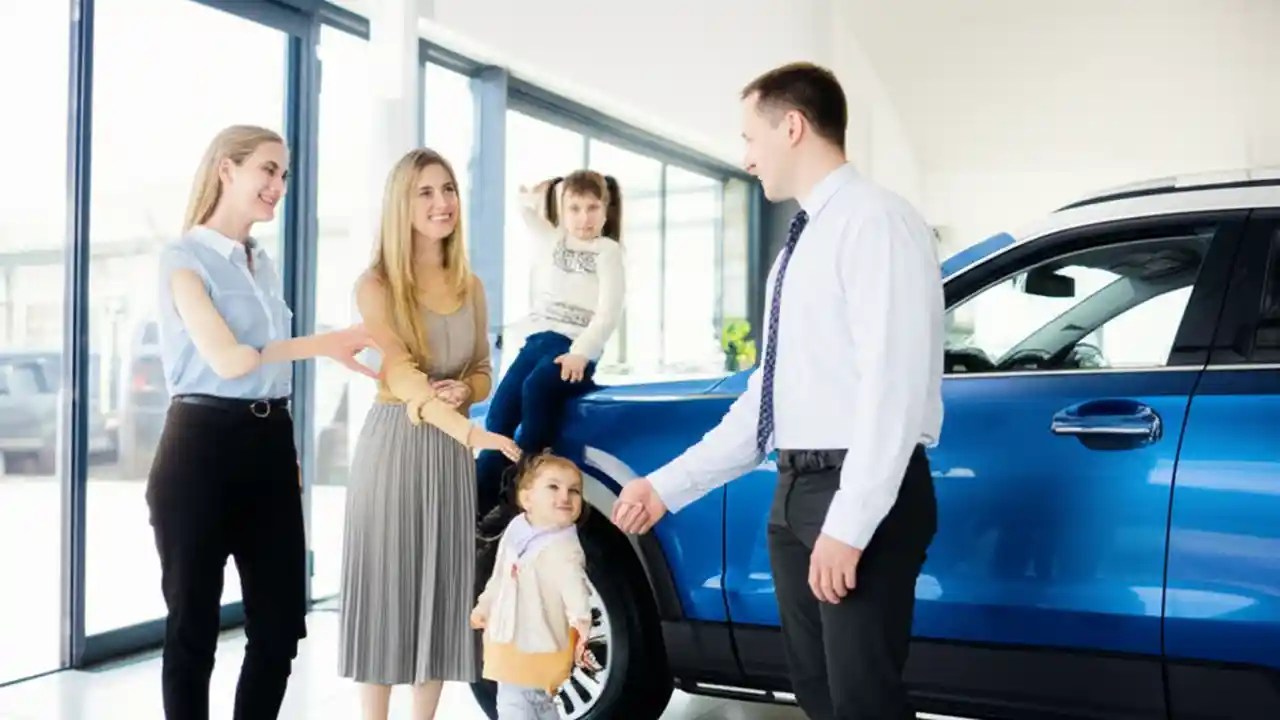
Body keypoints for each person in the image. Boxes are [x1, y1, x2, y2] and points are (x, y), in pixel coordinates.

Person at [612, 62, 944, 720]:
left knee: (862, 704)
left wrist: (850, 525)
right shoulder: (801, 243)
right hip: (795, 492)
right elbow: (768, 400)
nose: (746, 156)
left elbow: (894, 385)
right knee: (820, 700)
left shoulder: (875, 221)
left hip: (854, 490)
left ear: (792, 126)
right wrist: (664, 486)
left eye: (749, 137)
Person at [148, 124, 377, 720]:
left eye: (284, 174)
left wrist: (287, 448)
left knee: (280, 626)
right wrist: (323, 344)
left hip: (271, 444)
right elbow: (229, 360)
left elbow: (265, 369)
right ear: (227, 169)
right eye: (267, 170)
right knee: (193, 627)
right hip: (200, 448)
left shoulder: (262, 262)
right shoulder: (183, 258)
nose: (278, 185)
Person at [337, 147, 521, 720]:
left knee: (441, 595)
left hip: (448, 454)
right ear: (402, 203)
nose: (442, 203)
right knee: (388, 594)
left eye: (448, 190)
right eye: (426, 192)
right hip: (396, 447)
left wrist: (467, 393)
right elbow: (400, 375)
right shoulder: (375, 285)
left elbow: (483, 371)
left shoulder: (471, 284)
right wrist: (468, 432)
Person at [475, 171, 626, 529]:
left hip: (574, 347)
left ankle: (520, 489)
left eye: (592, 208)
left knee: (537, 388)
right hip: (538, 340)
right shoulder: (553, 240)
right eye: (574, 208)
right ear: (563, 210)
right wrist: (532, 195)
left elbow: (609, 312)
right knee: (500, 414)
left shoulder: (607, 252)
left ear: (605, 211)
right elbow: (526, 215)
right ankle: (476, 506)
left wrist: (582, 351)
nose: (583, 217)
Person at [470, 451, 597, 720]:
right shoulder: (517, 530)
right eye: (553, 487)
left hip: (538, 643)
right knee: (535, 703)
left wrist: (581, 621)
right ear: (527, 498)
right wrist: (485, 605)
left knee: (517, 705)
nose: (565, 496)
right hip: (507, 638)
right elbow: (500, 576)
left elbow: (574, 586)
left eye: (574, 490)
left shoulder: (564, 546)